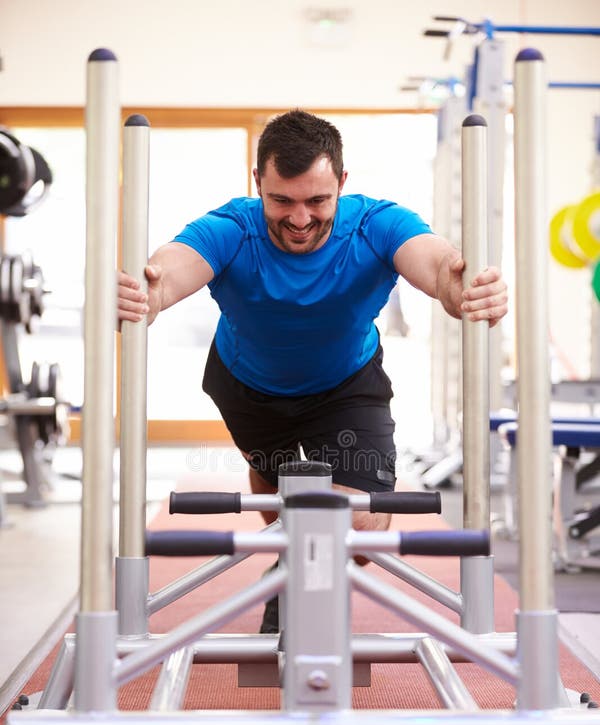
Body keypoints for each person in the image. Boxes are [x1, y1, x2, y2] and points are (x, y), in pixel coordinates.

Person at [118, 109, 508, 633]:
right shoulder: (232, 227)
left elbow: (437, 264)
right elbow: (170, 269)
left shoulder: (375, 224)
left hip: (346, 385)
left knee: (362, 530)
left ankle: (291, 565)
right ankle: (292, 564)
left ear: (342, 184)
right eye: (282, 200)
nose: (299, 218)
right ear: (258, 183)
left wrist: (460, 287)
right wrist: (149, 292)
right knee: (281, 497)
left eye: (317, 201)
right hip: (248, 387)